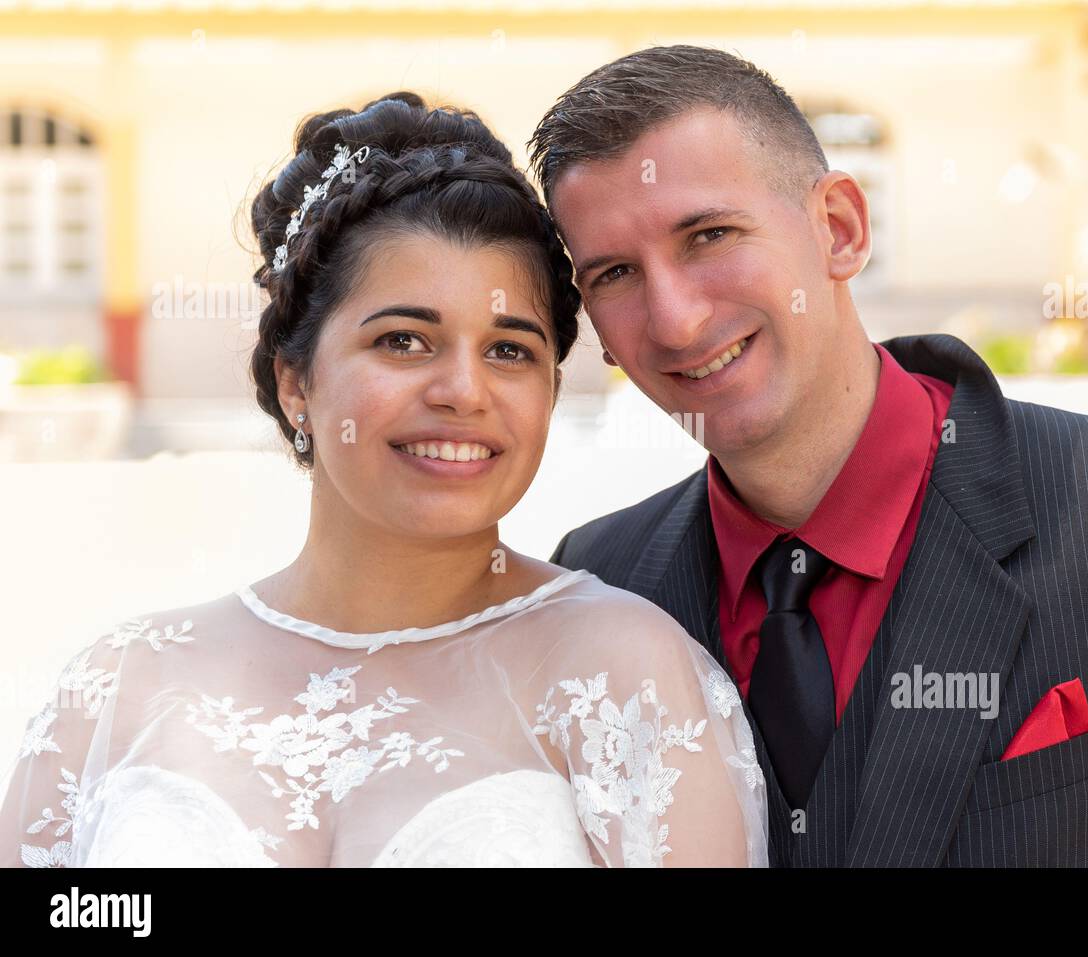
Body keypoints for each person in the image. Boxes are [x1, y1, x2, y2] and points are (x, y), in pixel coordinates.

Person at [531, 45, 1088, 866]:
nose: (676, 319)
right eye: (615, 272)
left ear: (840, 229)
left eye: (709, 234)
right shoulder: (599, 582)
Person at [0, 92, 765, 868]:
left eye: (509, 350)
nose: (464, 392)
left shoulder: (624, 675)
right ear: (295, 381)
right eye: (404, 340)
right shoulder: (115, 690)